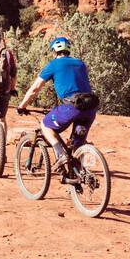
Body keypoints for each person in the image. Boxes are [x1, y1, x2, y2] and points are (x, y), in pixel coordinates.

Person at [16, 36, 99, 175]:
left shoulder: (53, 65)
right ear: (68, 50)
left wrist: (22, 105)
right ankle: (80, 177)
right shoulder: (80, 63)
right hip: (90, 107)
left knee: (46, 125)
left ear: (54, 51)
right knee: (78, 144)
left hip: (71, 106)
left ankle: (60, 155)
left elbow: (35, 88)